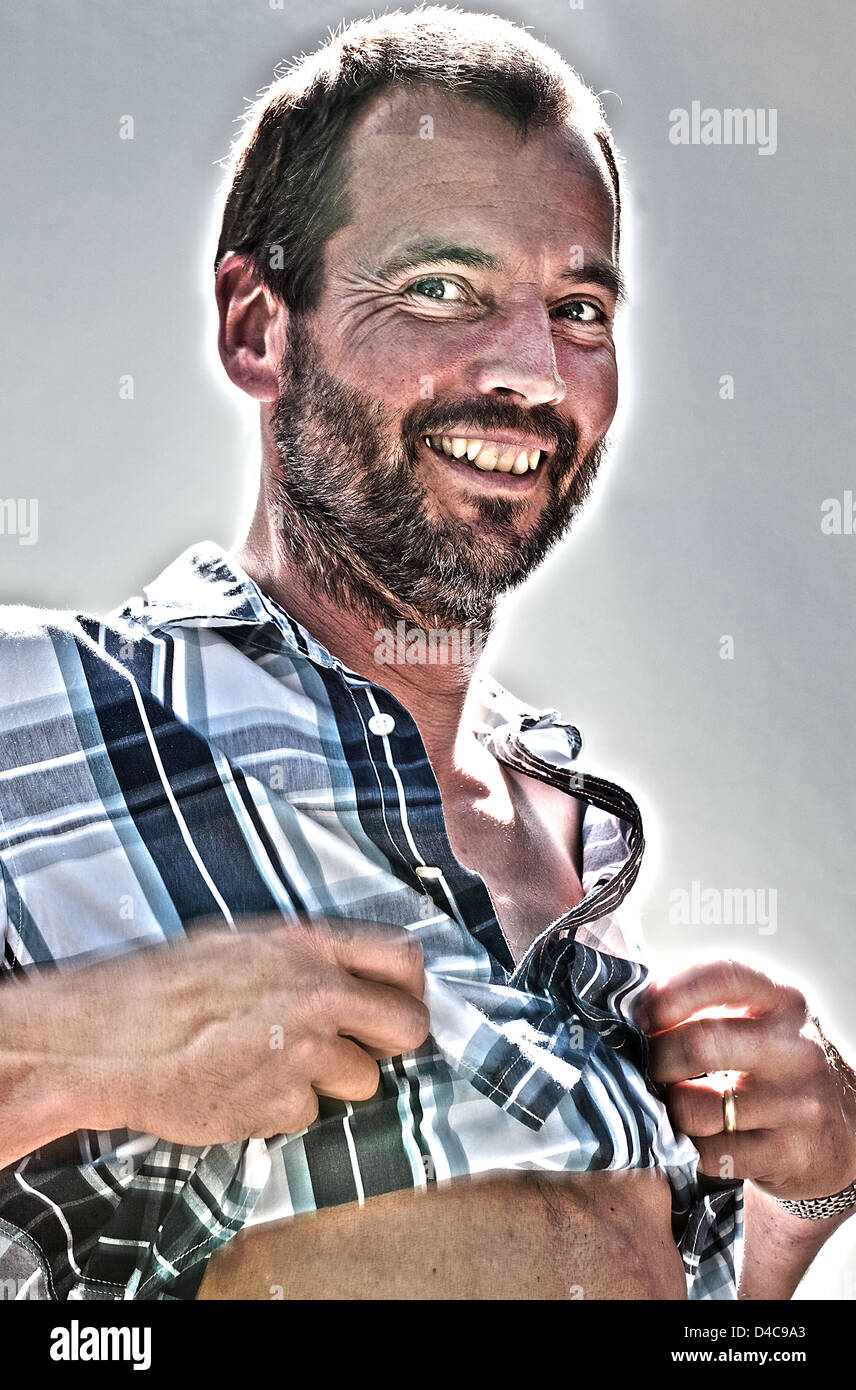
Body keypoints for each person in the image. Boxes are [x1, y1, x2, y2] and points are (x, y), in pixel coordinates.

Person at [0, 6, 853, 1303]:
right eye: (442, 286)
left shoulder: (581, 876)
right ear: (257, 325)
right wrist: (59, 1044)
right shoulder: (36, 708)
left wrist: (804, 1193)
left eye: (577, 305)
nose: (529, 368)